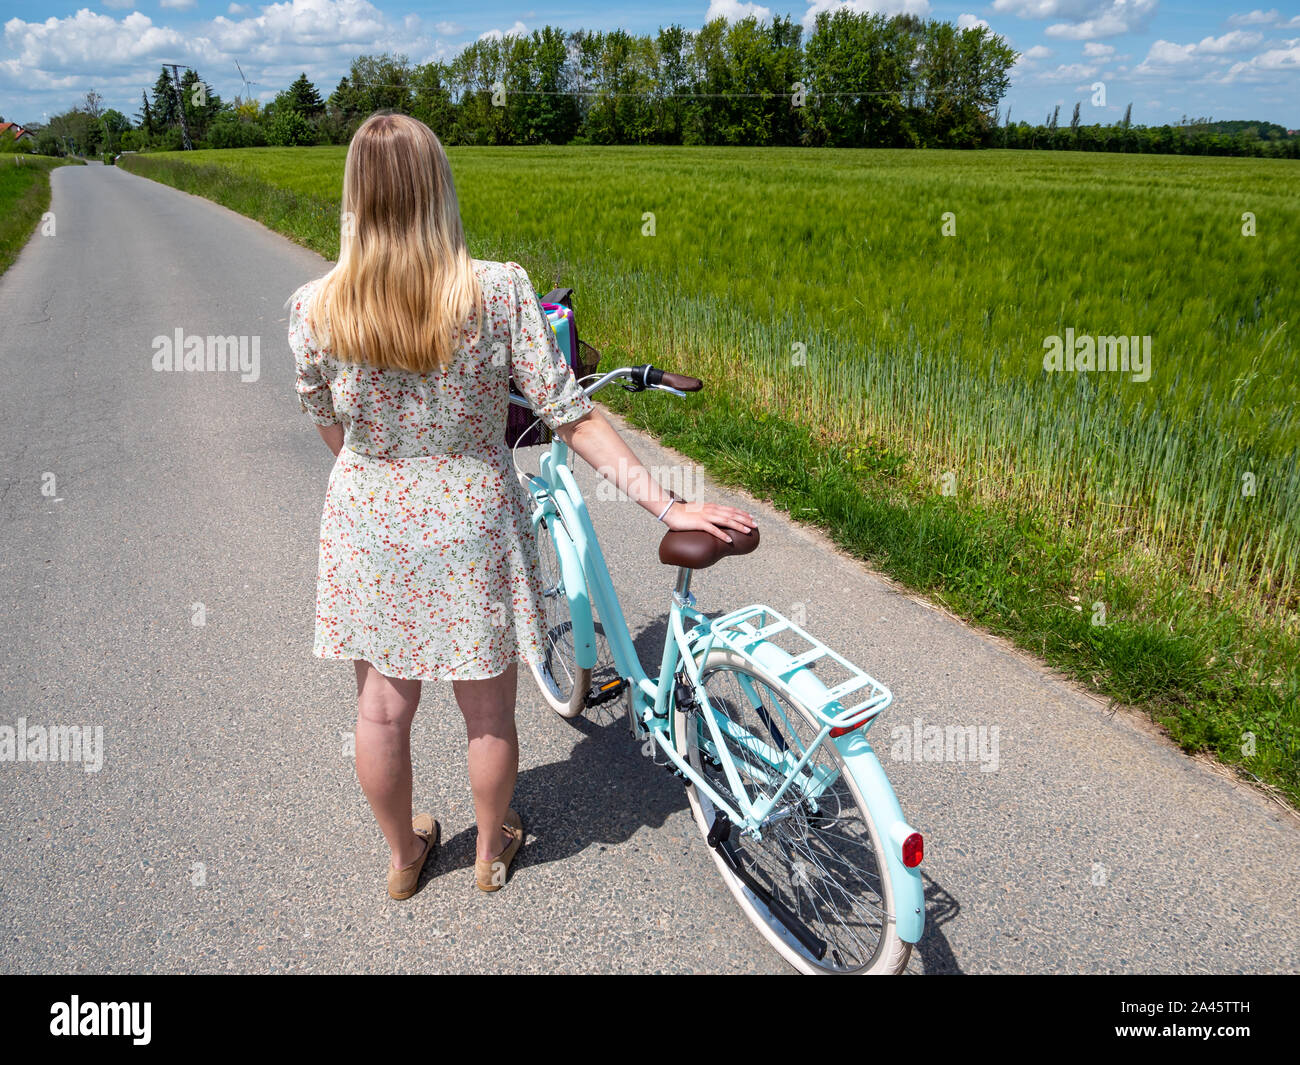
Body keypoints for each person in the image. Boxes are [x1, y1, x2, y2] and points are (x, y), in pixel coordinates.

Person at [286, 112, 756, 900]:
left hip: (367, 518)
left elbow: (329, 424)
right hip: (473, 515)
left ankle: (404, 855)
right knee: (489, 712)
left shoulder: (314, 307)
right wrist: (667, 504)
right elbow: (570, 412)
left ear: (354, 198)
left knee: (380, 709)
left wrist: (384, 475)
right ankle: (489, 850)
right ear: (439, 189)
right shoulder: (497, 290)